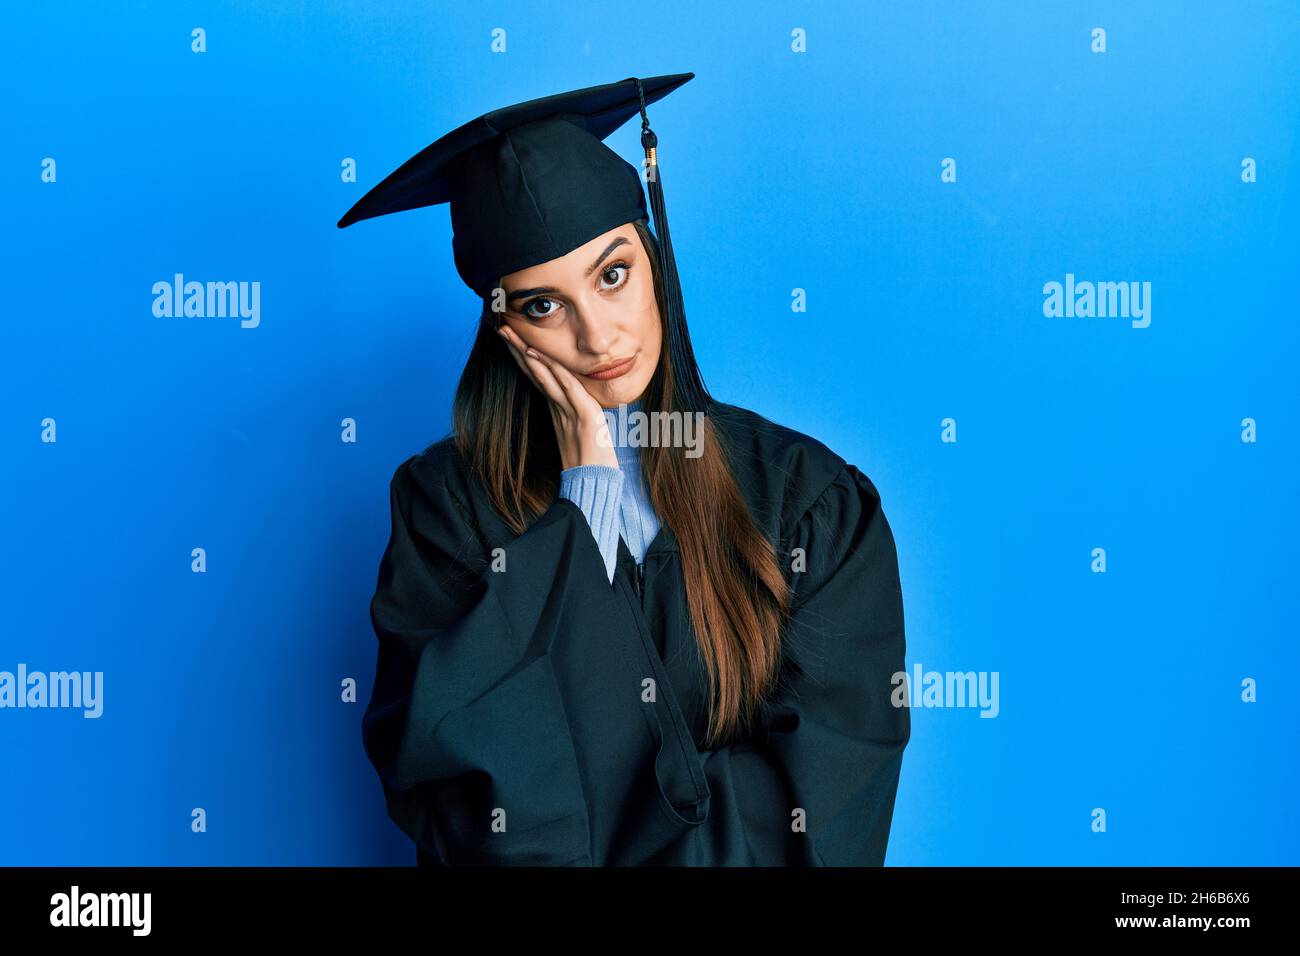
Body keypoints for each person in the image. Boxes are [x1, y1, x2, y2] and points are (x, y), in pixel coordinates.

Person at [339, 74, 911, 866]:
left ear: (654, 262)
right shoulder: (447, 513)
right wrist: (583, 506)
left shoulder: (803, 500)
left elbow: (824, 820)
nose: (598, 336)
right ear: (504, 328)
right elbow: (468, 807)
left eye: (613, 275)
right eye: (543, 305)